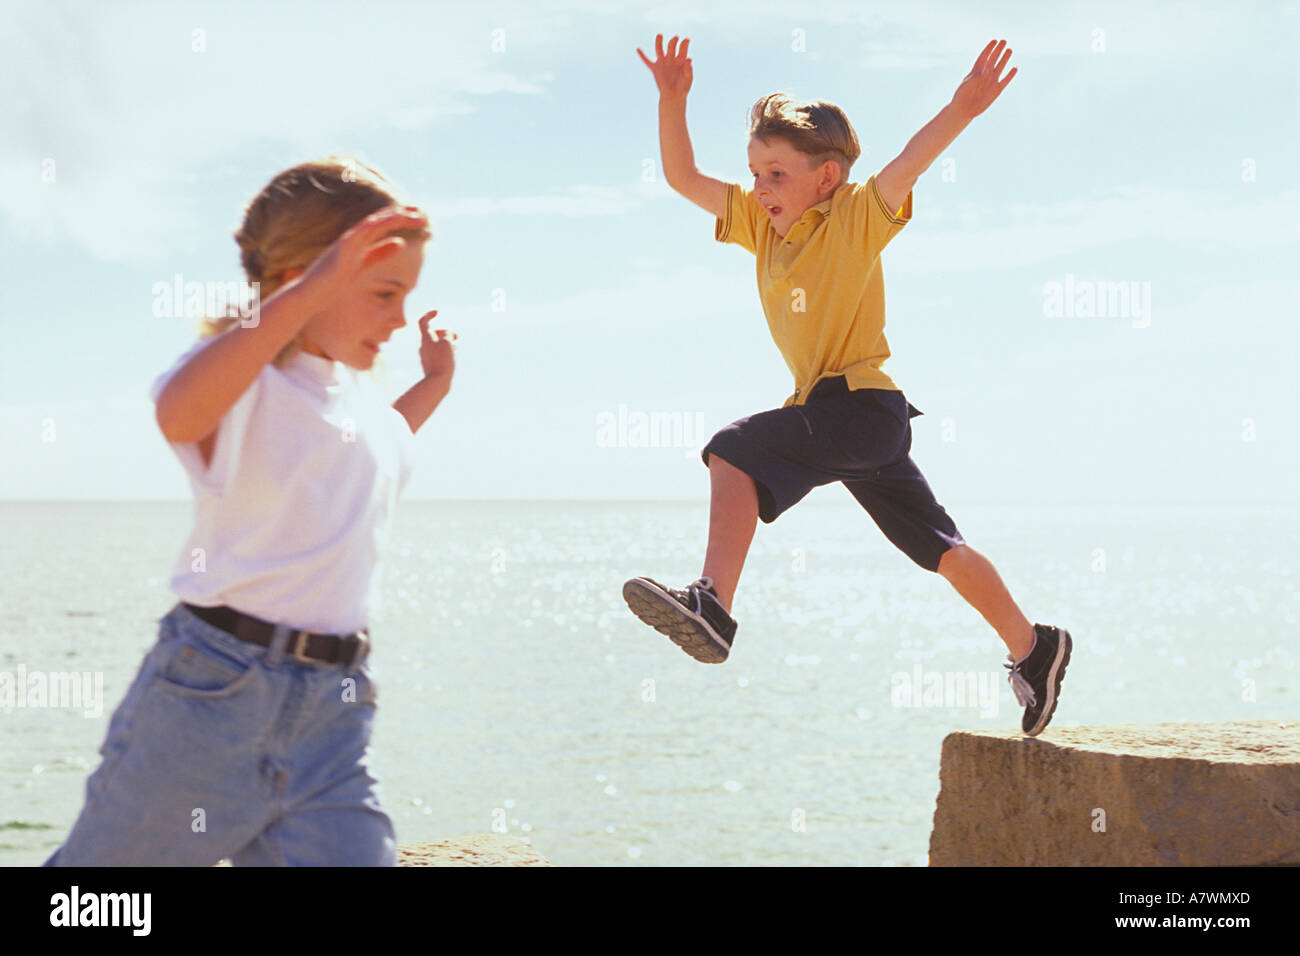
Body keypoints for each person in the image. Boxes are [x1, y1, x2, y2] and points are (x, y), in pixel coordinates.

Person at [625, 36, 1071, 736]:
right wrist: (672, 100)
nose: (760, 187)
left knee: (733, 449)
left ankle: (713, 605)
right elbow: (683, 178)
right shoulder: (758, 227)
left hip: (862, 410)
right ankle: (1035, 647)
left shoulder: (856, 217)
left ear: (826, 177)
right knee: (939, 547)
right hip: (850, 421)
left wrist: (963, 107)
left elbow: (907, 164)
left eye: (775, 173)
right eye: (754, 172)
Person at [45, 157, 454, 865]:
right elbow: (178, 411)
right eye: (385, 293)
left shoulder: (352, 403)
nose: (399, 318)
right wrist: (301, 296)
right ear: (308, 278)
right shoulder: (249, 382)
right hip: (214, 699)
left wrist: (435, 385)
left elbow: (374, 450)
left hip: (334, 712)